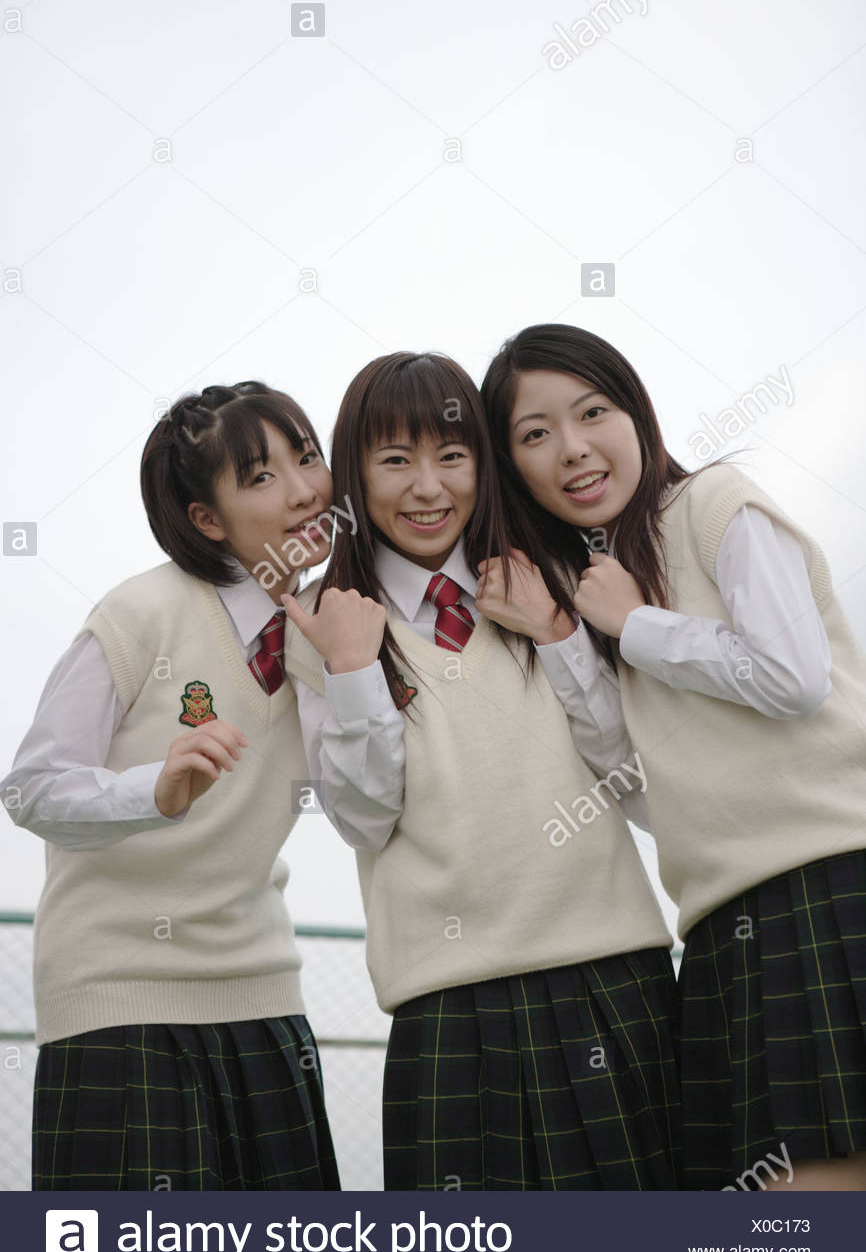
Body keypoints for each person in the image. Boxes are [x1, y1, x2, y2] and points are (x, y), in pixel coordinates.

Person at [282, 350, 680, 1191]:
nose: (428, 488)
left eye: (452, 457)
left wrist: (556, 633)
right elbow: (361, 817)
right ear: (355, 475)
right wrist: (356, 670)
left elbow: (634, 772)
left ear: (482, 465)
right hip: (448, 1011)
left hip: (613, 978)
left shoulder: (559, 578)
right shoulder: (322, 625)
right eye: (395, 461)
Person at [481, 323, 866, 1191]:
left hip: (831, 885)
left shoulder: (712, 505)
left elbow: (794, 676)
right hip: (727, 923)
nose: (573, 450)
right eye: (535, 435)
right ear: (514, 467)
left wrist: (633, 625)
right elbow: (635, 776)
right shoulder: (598, 581)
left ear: (637, 414)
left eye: (593, 412)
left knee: (807, 1216)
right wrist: (561, 634)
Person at [2, 381, 340, 1190]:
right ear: (206, 520)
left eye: (307, 458)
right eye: (260, 477)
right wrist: (151, 792)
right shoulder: (141, 611)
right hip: (120, 1005)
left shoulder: (328, 624)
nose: (302, 491)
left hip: (265, 999)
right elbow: (32, 788)